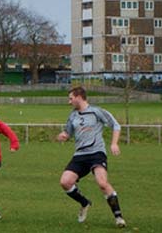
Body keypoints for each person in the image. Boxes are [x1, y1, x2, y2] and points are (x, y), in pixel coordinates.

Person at [55, 86, 127, 228]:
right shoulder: (72, 116)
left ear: (79, 97)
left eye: (71, 98)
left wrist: (114, 143)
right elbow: (68, 133)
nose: (69, 102)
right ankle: (84, 203)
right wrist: (63, 135)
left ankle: (118, 217)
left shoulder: (96, 111)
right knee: (65, 182)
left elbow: (116, 125)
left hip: (96, 153)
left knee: (102, 183)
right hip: (80, 155)